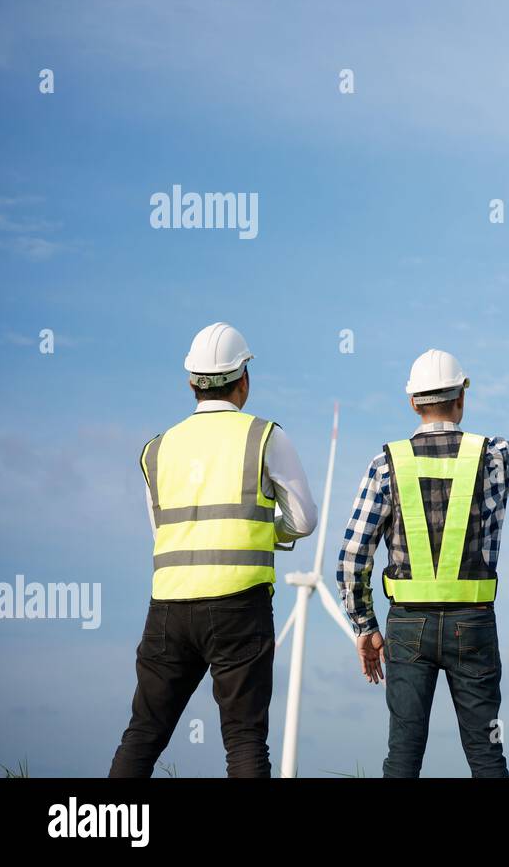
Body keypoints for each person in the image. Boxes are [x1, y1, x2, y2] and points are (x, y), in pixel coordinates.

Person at [336, 348, 509, 777]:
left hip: (406, 628)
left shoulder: (386, 464)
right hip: (472, 625)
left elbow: (351, 558)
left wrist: (365, 625)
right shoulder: (493, 455)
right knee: (486, 753)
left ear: (412, 402)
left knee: (403, 753)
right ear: (462, 399)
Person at [109, 322, 317, 777]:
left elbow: (162, 529)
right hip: (239, 607)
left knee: (143, 733)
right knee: (243, 739)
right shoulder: (265, 436)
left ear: (191, 383)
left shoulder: (157, 449)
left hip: (168, 608)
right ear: (244, 378)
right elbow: (304, 520)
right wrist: (266, 532)